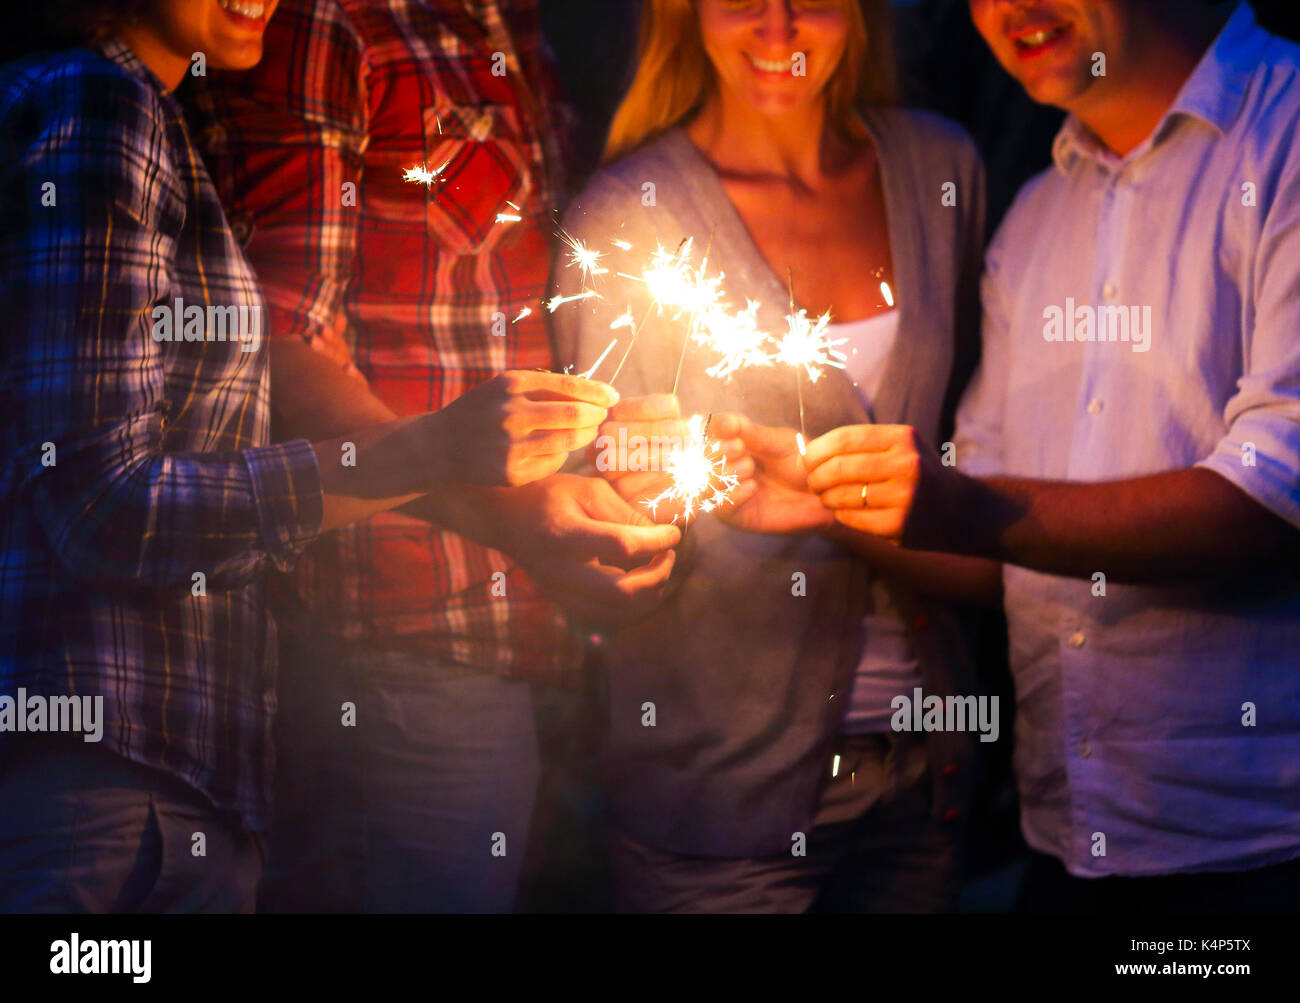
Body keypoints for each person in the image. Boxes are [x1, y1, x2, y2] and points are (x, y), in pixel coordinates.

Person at [0, 0, 622, 913]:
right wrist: (434, 448)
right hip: (104, 781)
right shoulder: (96, 103)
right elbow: (102, 502)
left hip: (172, 779)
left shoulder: (149, 114)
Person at [769, 0, 1300, 912]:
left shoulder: (1284, 134)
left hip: (1263, 850)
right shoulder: (1034, 216)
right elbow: (989, 558)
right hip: (1067, 847)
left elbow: (1268, 501)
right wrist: (810, 491)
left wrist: (967, 507)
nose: (1012, 6)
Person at [193, 0, 681, 913]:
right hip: (392, 644)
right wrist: (507, 517)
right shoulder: (327, 24)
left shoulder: (520, 26)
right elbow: (277, 351)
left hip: (534, 645)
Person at [552, 0, 996, 913]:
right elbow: (599, 548)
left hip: (928, 776)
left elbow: (979, 472)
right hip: (719, 809)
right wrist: (642, 510)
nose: (779, 26)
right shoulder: (629, 219)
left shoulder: (940, 170)